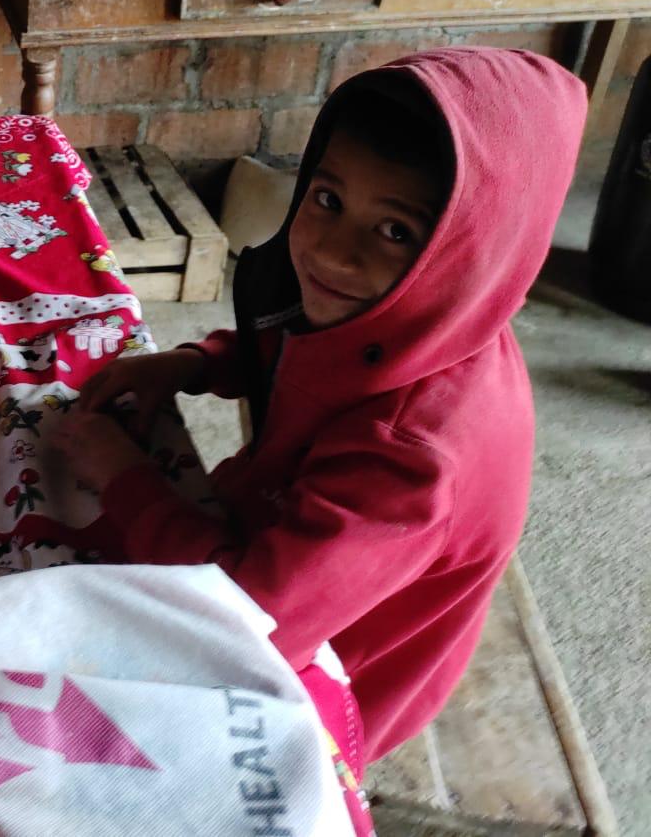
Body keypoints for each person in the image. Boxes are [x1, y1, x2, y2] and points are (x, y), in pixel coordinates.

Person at [68, 46, 585, 763]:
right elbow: (301, 353)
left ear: (473, 255)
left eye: (396, 229)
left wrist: (123, 477)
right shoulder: (412, 311)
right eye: (328, 199)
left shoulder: (411, 455)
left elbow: (249, 627)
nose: (333, 254)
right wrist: (193, 363)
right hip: (291, 543)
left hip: (336, 669)